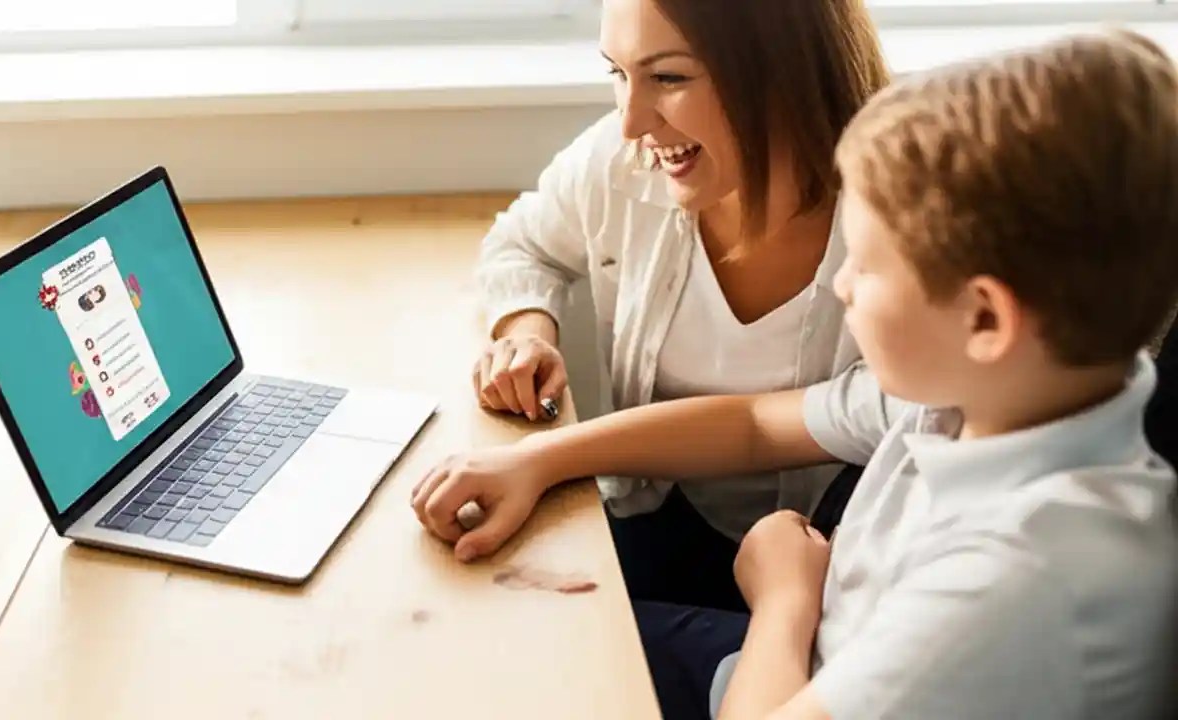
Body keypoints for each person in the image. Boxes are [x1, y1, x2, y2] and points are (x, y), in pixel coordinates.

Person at [414, 28, 1178, 719]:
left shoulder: (1021, 580)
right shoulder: (983, 397)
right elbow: (753, 422)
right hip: (785, 661)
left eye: (870, 268)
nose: (842, 285)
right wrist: (533, 459)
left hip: (777, 664)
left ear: (985, 319)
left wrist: (785, 599)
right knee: (489, 638)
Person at [469, 0, 888, 611]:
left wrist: (545, 458)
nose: (631, 122)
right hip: (659, 518)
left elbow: (763, 428)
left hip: (832, 564)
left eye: (668, 77)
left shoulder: (903, 218)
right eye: (617, 73)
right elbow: (522, 246)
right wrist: (528, 333)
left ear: (784, 71)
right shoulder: (619, 167)